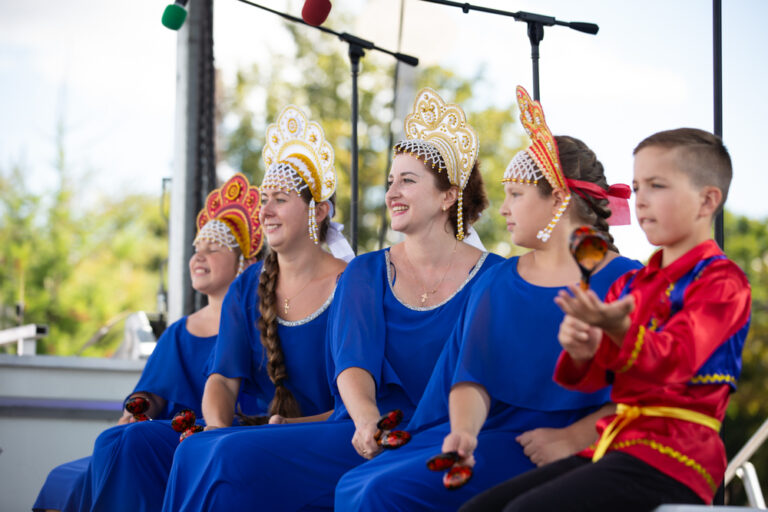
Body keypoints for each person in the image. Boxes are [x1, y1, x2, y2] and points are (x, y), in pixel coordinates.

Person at [161, 87, 503, 511]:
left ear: (449, 195)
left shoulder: (495, 276)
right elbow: (353, 364)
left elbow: (489, 374)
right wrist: (366, 421)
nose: (392, 192)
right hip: (365, 428)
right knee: (198, 450)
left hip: (453, 433)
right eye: (391, 180)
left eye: (408, 181)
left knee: (232, 457)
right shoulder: (367, 271)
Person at [334, 85, 641, 511]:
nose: (503, 208)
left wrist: (574, 437)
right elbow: (471, 376)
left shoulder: (628, 280)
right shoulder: (500, 281)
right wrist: (463, 432)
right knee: (358, 484)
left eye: (516, 194)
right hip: (495, 436)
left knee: (386, 492)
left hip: (589, 443)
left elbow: (652, 390)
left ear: (557, 198)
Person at [462, 127, 752, 512]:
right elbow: (589, 380)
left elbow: (677, 361)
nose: (641, 199)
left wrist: (616, 330)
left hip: (677, 458)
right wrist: (583, 347)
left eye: (657, 186)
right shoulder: (635, 283)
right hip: (615, 446)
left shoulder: (722, 282)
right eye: (636, 186)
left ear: (706, 200)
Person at [32, 172, 264, 512]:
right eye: (196, 249)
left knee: (128, 449)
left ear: (244, 262)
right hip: (162, 432)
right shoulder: (178, 331)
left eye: (213, 249)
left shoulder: (255, 327)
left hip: (210, 435)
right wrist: (137, 405)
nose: (199, 257)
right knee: (65, 476)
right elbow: (152, 392)